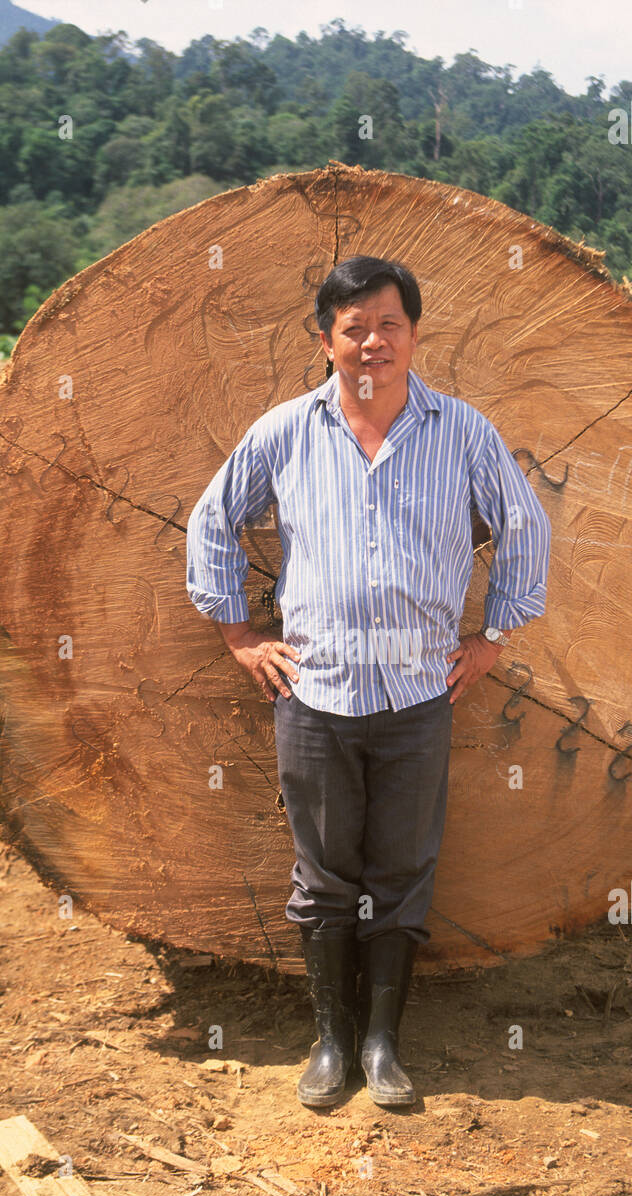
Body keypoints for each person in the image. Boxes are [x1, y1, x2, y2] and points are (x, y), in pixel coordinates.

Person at [185, 255, 550, 1108]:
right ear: (326, 341)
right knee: (321, 875)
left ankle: (385, 1044)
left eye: (389, 325)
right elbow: (213, 520)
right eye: (354, 329)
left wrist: (493, 638)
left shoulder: (462, 431)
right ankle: (331, 1041)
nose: (372, 343)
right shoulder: (285, 431)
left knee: (404, 867)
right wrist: (239, 634)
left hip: (421, 693)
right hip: (314, 695)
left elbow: (523, 526)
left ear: (414, 335)